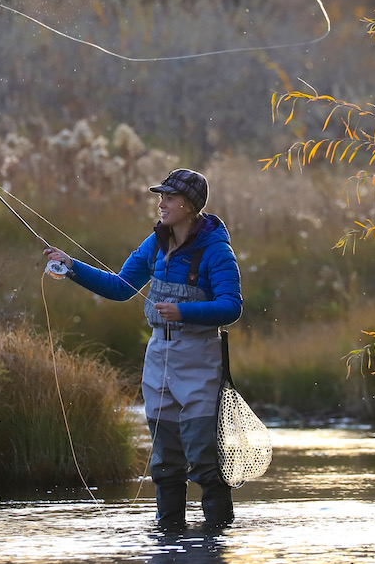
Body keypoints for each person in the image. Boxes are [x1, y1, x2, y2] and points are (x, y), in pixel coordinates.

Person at [44, 167, 243, 530]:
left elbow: (231, 306)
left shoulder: (217, 251)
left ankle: (218, 539)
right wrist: (72, 267)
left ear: (189, 205)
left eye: (169, 197)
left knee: (204, 458)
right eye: (161, 196)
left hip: (199, 358)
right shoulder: (155, 243)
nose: (161, 203)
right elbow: (120, 287)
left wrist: (183, 312)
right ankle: (169, 537)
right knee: (165, 462)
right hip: (158, 358)